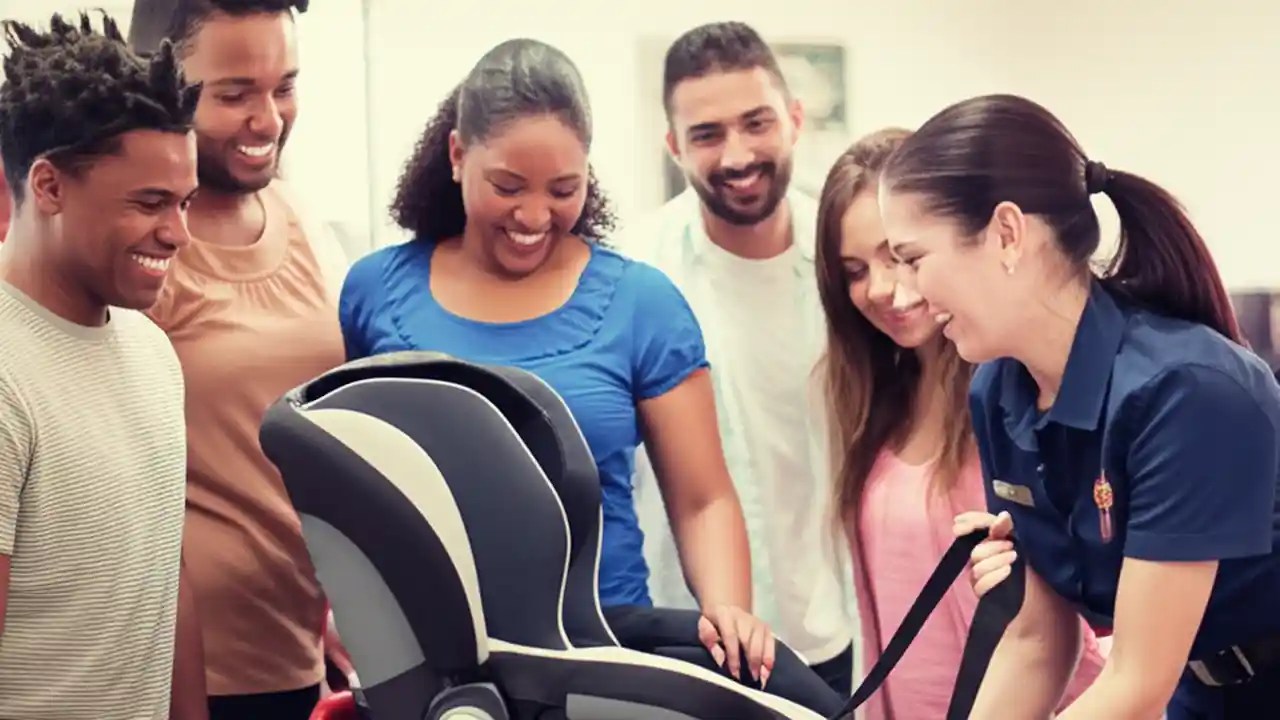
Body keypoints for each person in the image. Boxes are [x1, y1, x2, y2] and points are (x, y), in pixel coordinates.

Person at [339, 38, 841, 715]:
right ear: (458, 156)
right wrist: (336, 601)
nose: (534, 216)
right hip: (425, 662)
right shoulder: (375, 291)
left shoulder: (640, 302)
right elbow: (346, 482)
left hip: (601, 658)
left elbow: (702, 497)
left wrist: (727, 610)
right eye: (508, 186)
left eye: (564, 189)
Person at [878, 92, 1280, 719]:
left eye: (912, 260)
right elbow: (1038, 639)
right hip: (1199, 692)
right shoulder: (997, 390)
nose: (901, 292)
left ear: (1007, 234)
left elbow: (1136, 682)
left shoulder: (1186, 392)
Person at [814, 127, 1108, 719]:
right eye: (852, 270)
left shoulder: (1016, 393)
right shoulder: (873, 403)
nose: (881, 289)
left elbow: (1070, 632)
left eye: (901, 258)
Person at [128, 0, 352, 717]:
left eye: (283, 85)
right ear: (161, 80)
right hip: (180, 677)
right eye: (234, 94)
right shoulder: (136, 252)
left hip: (299, 655)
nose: (269, 119)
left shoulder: (306, 221)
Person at [625, 21, 856, 695]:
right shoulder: (635, 275)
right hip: (688, 641)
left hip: (828, 633)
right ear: (673, 145)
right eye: (706, 134)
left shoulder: (851, 265)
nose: (736, 154)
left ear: (793, 118)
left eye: (756, 123)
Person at [0, 13, 206, 719]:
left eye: (185, 202)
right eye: (150, 203)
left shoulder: (152, 351)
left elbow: (167, 584)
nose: (179, 233)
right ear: (49, 186)